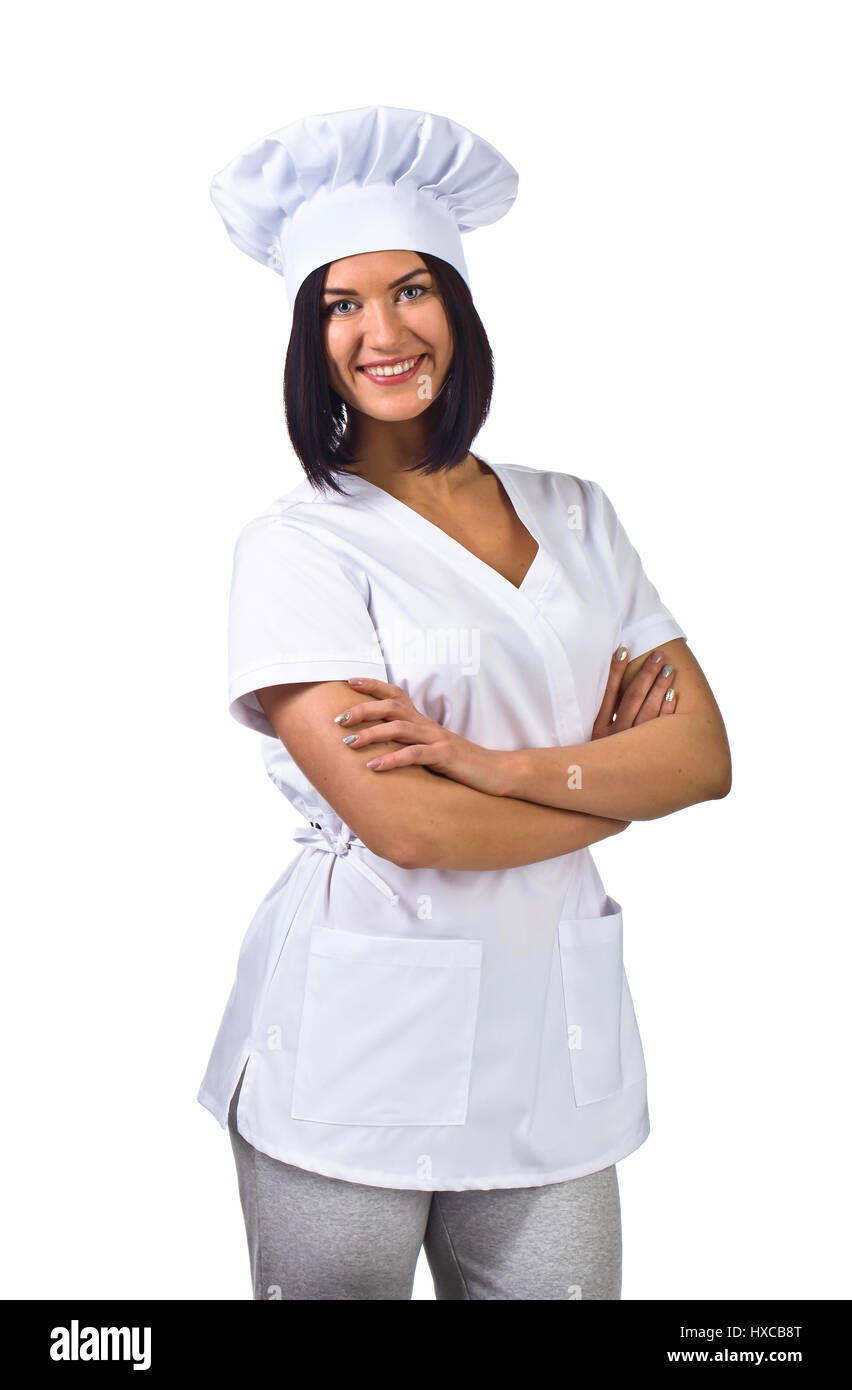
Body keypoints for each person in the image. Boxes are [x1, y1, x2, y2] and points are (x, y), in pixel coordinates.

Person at [198, 105, 732, 1301]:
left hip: (553, 1043)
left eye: (412, 292)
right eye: (342, 303)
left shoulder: (580, 513)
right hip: (356, 1045)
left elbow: (701, 755)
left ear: (461, 309)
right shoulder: (299, 546)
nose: (381, 332)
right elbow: (407, 827)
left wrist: (490, 767)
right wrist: (608, 787)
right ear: (310, 337)